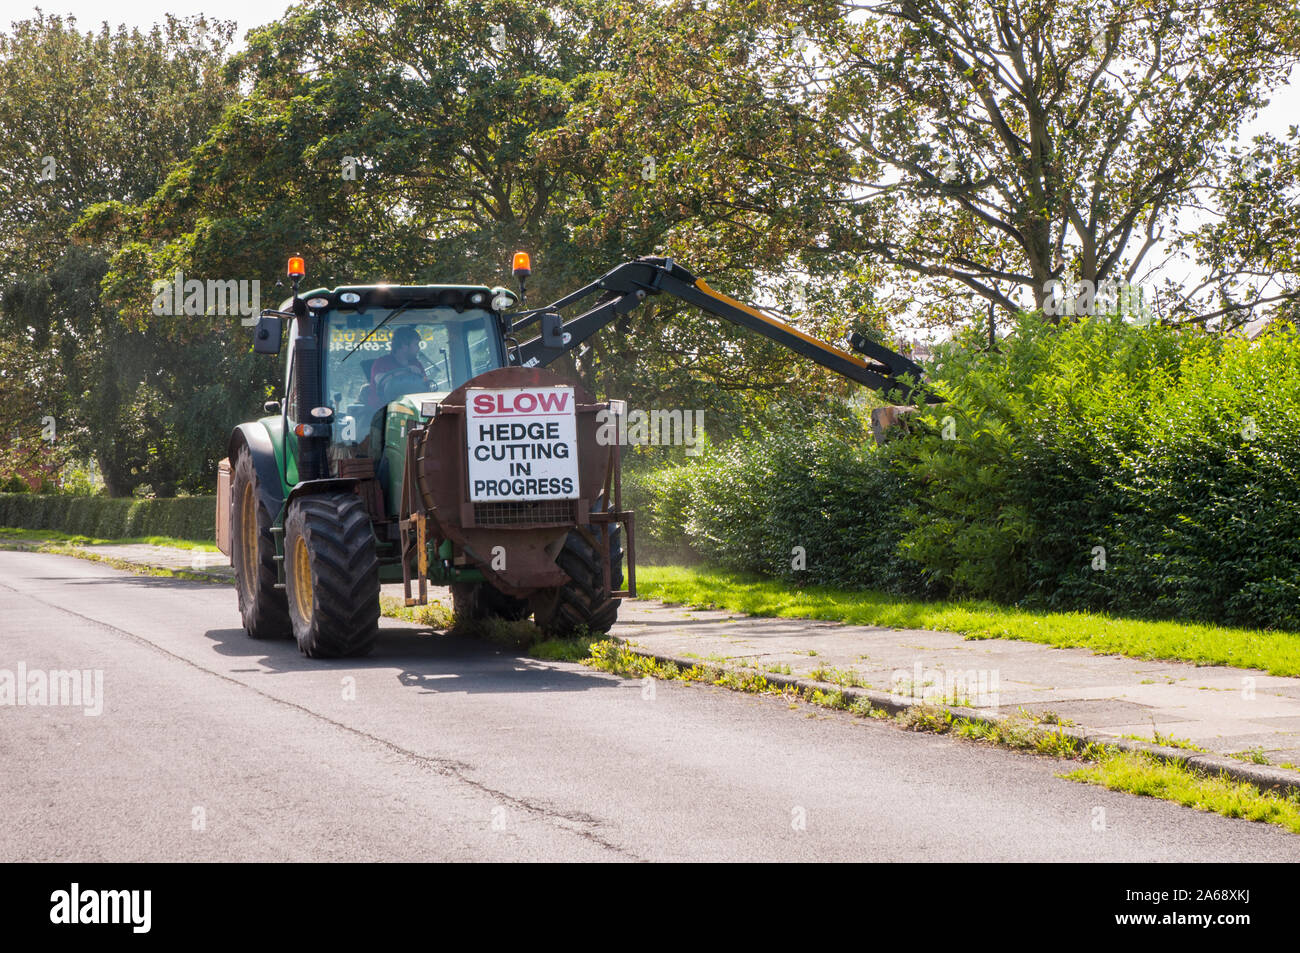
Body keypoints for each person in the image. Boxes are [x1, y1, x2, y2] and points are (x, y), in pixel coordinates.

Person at [369, 326, 430, 399]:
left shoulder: (416, 363)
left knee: (432, 409)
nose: (419, 348)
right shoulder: (382, 362)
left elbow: (426, 385)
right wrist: (406, 371)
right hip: (383, 408)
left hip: (409, 407)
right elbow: (380, 380)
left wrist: (424, 379)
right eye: (416, 344)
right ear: (404, 346)